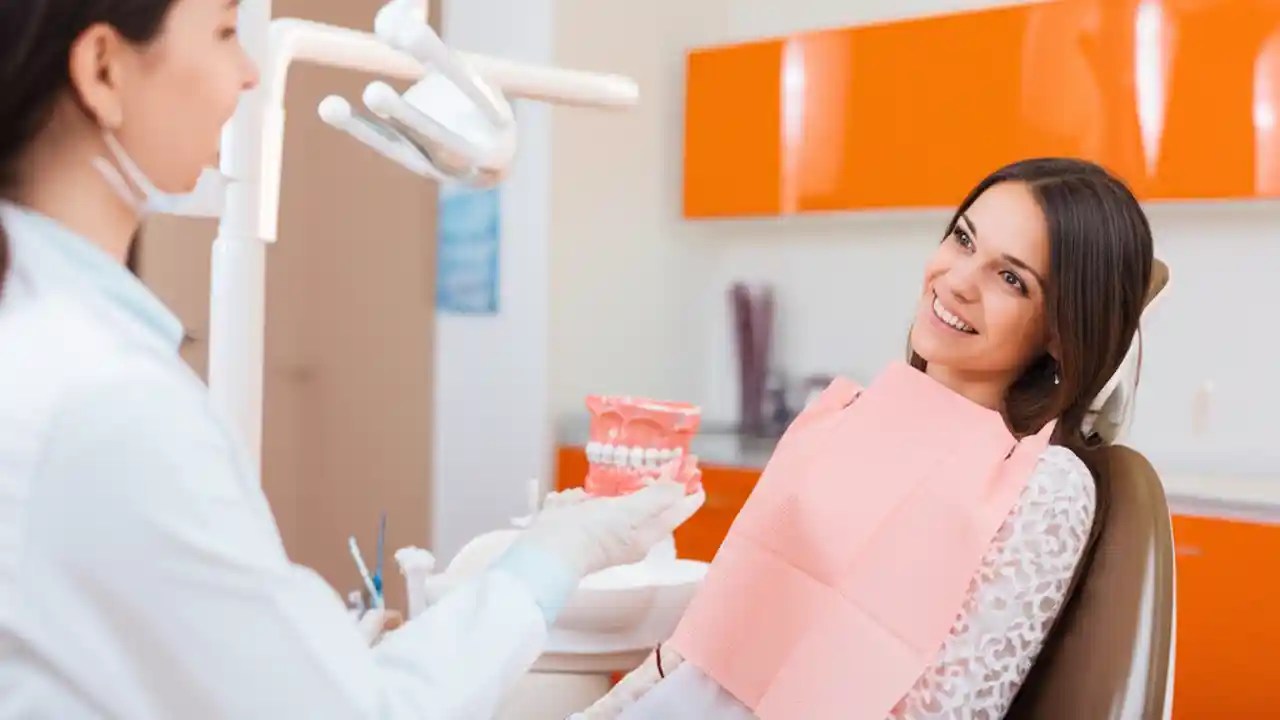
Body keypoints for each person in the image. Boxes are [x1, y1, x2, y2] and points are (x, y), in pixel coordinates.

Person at [0, 1, 703, 718]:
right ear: (102, 69)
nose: (247, 74)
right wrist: (550, 561)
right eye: (221, 33)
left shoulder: (52, 344)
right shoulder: (103, 399)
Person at [576, 157, 1155, 719]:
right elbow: (701, 650)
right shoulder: (846, 417)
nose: (956, 281)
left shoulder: (1043, 488)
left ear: (1062, 329)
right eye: (962, 239)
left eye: (1010, 278)